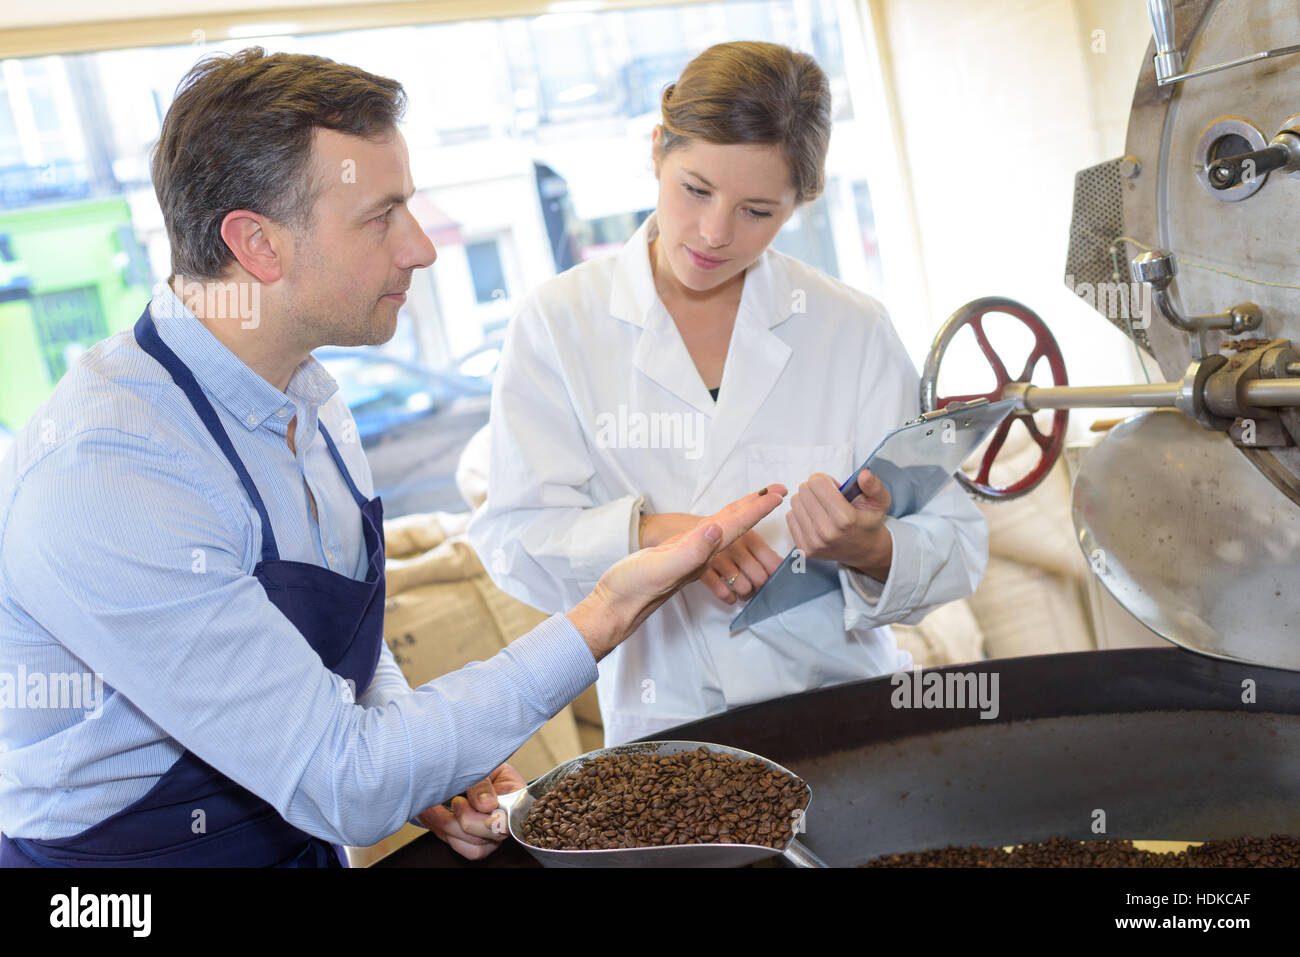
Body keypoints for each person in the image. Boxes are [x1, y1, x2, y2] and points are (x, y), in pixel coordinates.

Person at [0, 47, 785, 867]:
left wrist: (430, 775)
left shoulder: (314, 401)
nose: (422, 247)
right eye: (382, 217)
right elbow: (347, 780)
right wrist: (605, 613)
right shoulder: (108, 474)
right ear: (256, 245)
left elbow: (348, 662)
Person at [468, 41, 989, 746]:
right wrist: (663, 534)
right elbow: (513, 539)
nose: (714, 234)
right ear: (657, 149)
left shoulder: (850, 327)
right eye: (695, 189)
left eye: (757, 211)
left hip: (844, 719)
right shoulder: (559, 323)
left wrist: (869, 547)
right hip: (667, 727)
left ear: (799, 205)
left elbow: (957, 543)